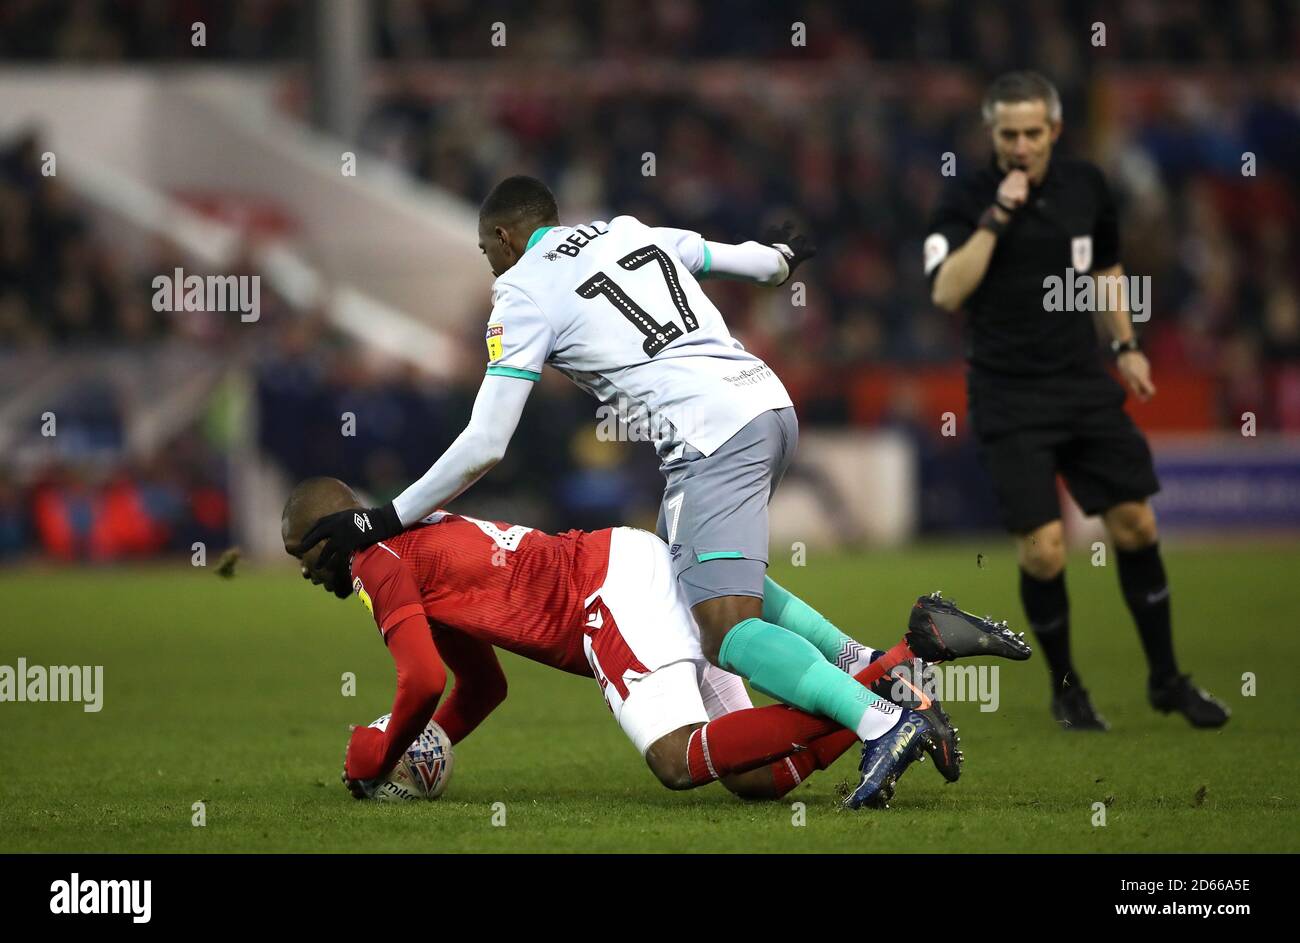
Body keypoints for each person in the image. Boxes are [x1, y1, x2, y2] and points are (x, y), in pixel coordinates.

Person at [302, 175, 1031, 777]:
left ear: (501, 239)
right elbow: (718, 255)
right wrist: (778, 260)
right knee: (697, 573)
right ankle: (882, 660)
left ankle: (882, 716)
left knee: (725, 631)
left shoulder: (521, 290)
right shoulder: (624, 230)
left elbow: (486, 441)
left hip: (709, 435)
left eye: (488, 253)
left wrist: (383, 517)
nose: (492, 267)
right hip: (768, 402)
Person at [284, 477, 1028, 808]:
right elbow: (480, 686)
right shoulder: (412, 543)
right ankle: (898, 669)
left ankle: (889, 693)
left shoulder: (376, 561)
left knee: (676, 761)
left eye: (303, 556)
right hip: (633, 561)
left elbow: (415, 682)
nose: (306, 573)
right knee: (755, 781)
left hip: (606, 593)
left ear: (328, 537)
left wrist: (376, 755)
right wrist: (434, 743)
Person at [925, 71, 1228, 730]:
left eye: (1034, 133)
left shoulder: (1087, 186)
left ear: (1055, 131)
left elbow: (1105, 272)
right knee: (1044, 551)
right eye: (1010, 134)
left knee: (1137, 526)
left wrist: (1126, 347)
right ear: (992, 134)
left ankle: (1167, 679)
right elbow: (948, 290)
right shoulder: (965, 195)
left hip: (1082, 383)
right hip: (1006, 393)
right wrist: (998, 217)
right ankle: (1067, 688)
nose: (1022, 145)